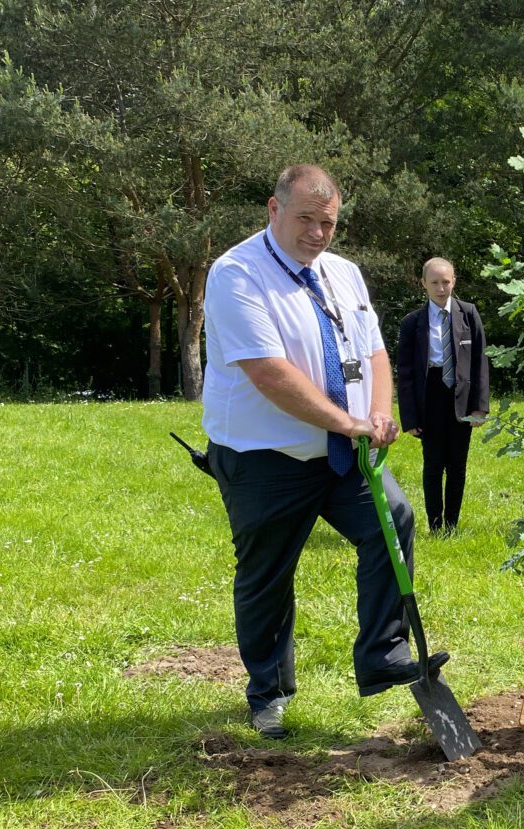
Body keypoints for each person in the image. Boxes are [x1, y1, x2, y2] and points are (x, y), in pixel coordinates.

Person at [202, 164, 446, 740]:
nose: (316, 232)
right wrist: (350, 422)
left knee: (394, 519)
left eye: (328, 222)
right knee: (267, 573)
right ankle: (268, 692)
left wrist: (379, 414)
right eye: (305, 219)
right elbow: (270, 373)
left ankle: (382, 653)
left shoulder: (344, 274)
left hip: (344, 450)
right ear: (274, 209)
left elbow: (376, 353)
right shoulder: (236, 273)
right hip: (265, 456)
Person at [396, 258, 490, 534]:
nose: (440, 288)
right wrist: (410, 416)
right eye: (434, 282)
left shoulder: (469, 314)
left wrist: (480, 407)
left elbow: (480, 361)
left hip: (461, 395)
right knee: (434, 463)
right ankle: (435, 525)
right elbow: (406, 372)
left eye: (446, 282)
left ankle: (452, 523)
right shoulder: (412, 323)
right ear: (423, 283)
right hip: (430, 395)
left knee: (457, 464)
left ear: (454, 281)